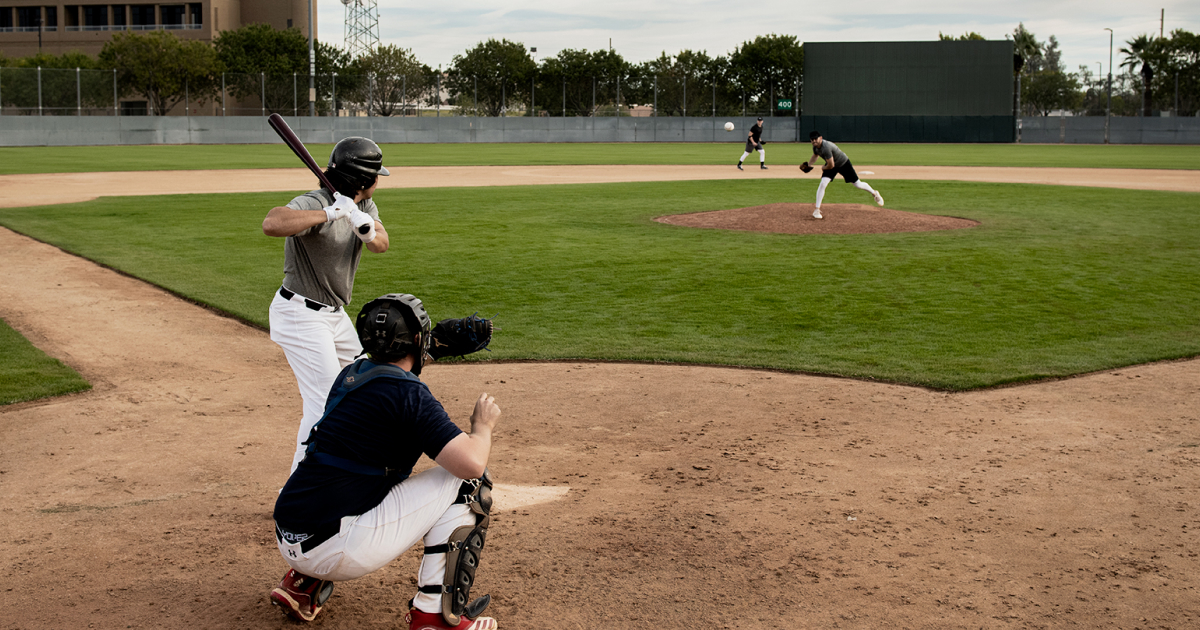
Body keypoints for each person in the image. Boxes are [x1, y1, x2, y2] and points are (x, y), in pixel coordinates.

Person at [269, 293, 501, 630]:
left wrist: (425, 351)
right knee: (469, 483)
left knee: (347, 472)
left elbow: (388, 378)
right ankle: (434, 618)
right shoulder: (410, 398)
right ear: (417, 341)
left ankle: (302, 585)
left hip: (290, 534)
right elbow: (471, 463)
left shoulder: (349, 376)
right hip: (335, 550)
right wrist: (482, 426)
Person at [262, 137, 390, 473]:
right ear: (364, 180)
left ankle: (357, 463)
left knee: (364, 381)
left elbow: (382, 244)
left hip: (334, 315)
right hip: (300, 314)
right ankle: (298, 488)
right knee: (324, 403)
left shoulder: (365, 206)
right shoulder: (315, 201)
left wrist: (365, 230)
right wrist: (328, 214)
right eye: (377, 175)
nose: (379, 181)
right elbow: (272, 223)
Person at [804, 130, 883, 220]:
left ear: (821, 138)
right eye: (812, 139)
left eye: (815, 139)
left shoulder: (826, 147)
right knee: (823, 183)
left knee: (858, 184)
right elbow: (815, 155)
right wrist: (808, 165)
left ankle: (875, 193)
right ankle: (817, 209)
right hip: (831, 163)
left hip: (843, 163)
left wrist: (823, 168)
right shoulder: (815, 147)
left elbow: (831, 165)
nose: (814, 141)